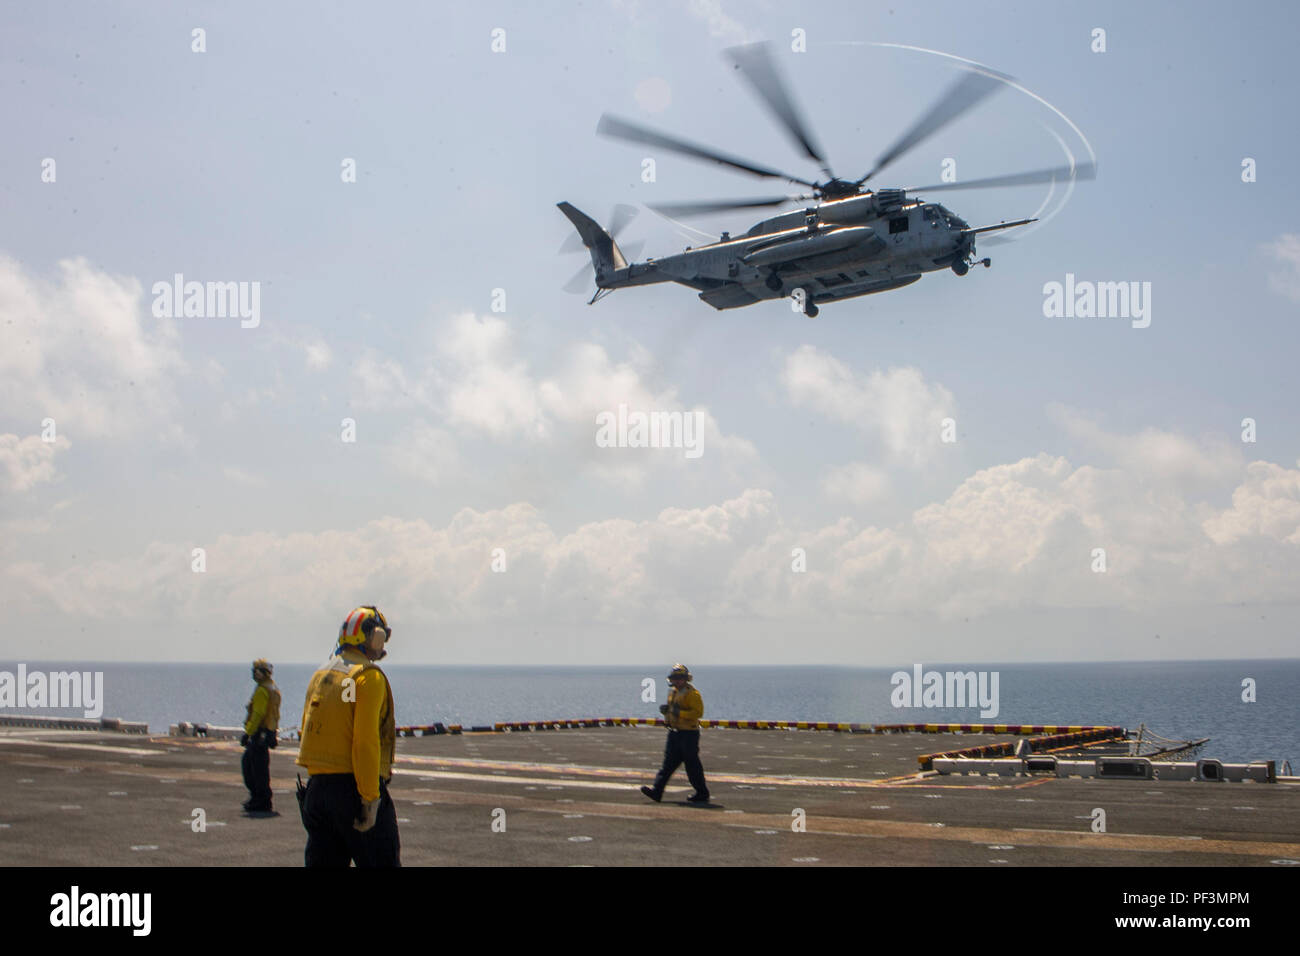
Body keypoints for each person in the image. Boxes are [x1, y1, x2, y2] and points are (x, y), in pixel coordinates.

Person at [296, 605, 400, 867]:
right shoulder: (368, 677)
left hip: (317, 792)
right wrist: (370, 799)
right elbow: (364, 743)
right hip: (352, 793)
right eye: (383, 635)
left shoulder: (321, 675)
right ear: (373, 635)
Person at [640, 663, 710, 804]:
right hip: (674, 732)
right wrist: (666, 713)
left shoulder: (692, 694)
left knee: (692, 766)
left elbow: (698, 713)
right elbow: (673, 710)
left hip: (689, 734)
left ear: (686, 679)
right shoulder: (673, 692)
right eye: (675, 678)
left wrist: (680, 713)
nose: (677, 681)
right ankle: (657, 792)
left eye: (680, 678)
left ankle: (702, 793)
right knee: (667, 765)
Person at [240, 659, 280, 814]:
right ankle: (260, 798)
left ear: (262, 673)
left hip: (259, 733)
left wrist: (248, 733)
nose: (253, 673)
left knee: (253, 768)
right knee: (260, 768)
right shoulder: (273, 688)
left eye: (256, 670)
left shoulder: (263, 690)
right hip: (268, 732)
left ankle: (260, 799)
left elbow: (258, 713)